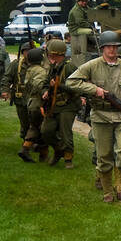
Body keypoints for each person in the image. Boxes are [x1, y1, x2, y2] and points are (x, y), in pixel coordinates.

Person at [66, 31, 121, 203]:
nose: (112, 50)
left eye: (115, 47)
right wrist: (95, 90)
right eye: (109, 47)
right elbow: (71, 81)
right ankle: (108, 191)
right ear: (102, 48)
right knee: (104, 156)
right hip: (101, 117)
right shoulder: (92, 66)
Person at [39, 38, 81, 168]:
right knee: (46, 131)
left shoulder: (69, 67)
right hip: (53, 104)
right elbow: (46, 83)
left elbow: (77, 87)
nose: (49, 56)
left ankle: (68, 158)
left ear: (57, 54)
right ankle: (58, 150)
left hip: (68, 104)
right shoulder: (53, 67)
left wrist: (59, 85)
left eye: (51, 54)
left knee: (65, 132)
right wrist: (46, 90)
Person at [16, 48, 49, 163]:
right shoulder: (40, 71)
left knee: (35, 128)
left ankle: (28, 149)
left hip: (31, 102)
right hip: (38, 102)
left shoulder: (30, 69)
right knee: (43, 128)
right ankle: (39, 154)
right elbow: (39, 84)